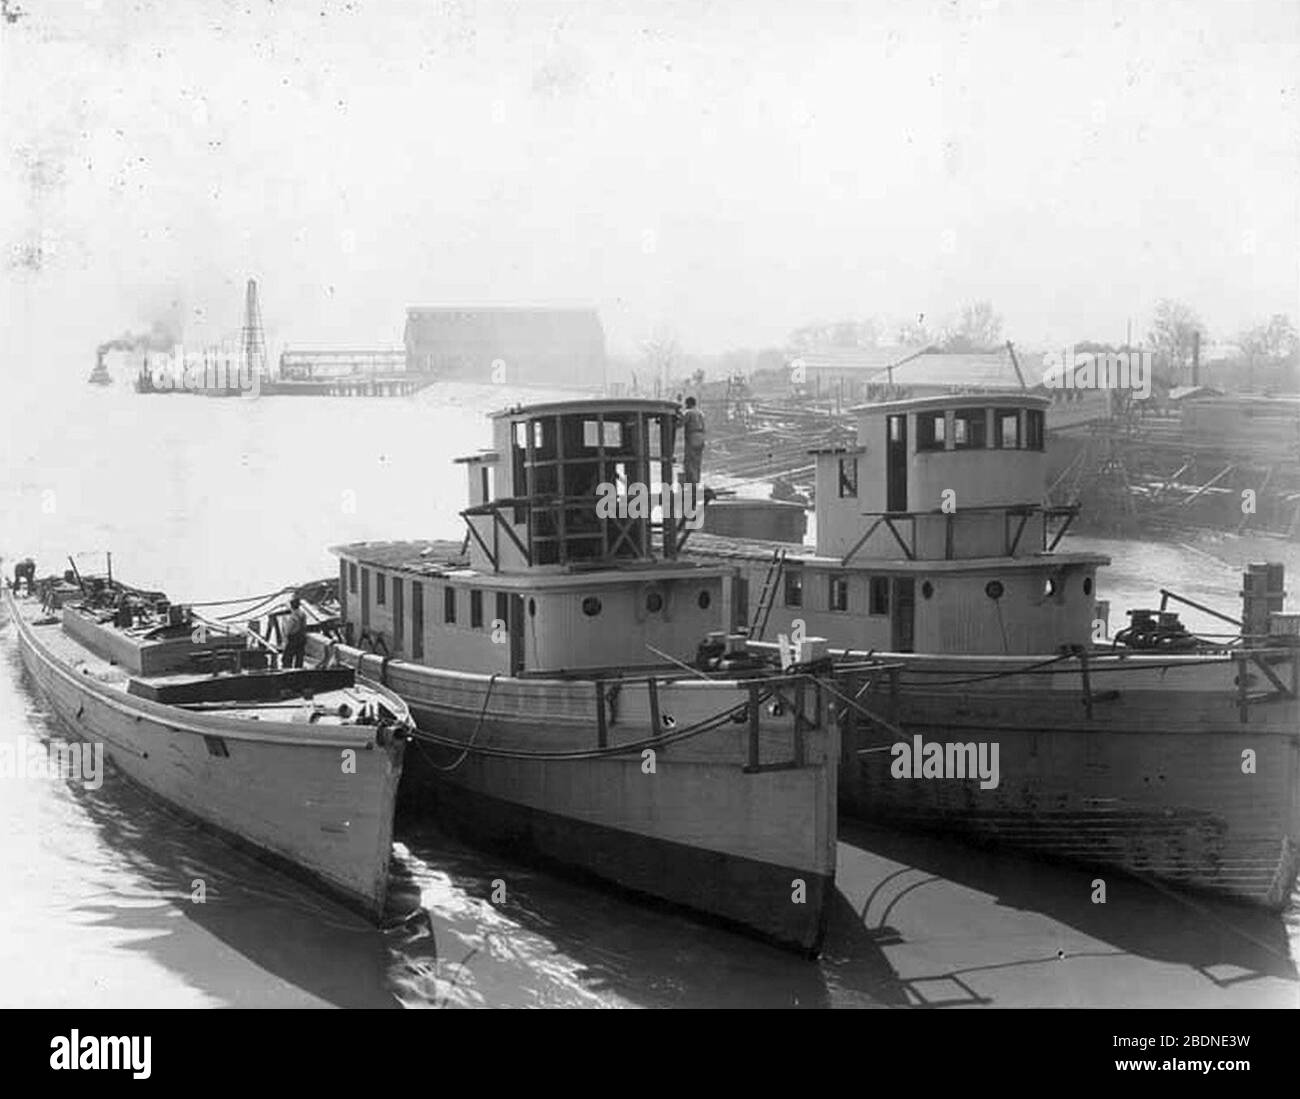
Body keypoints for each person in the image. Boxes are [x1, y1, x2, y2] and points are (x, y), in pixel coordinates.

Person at [680, 396, 706, 487]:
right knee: (697, 461)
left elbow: (680, 424)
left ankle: (691, 483)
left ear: (688, 404)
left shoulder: (688, 412)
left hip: (692, 436)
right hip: (701, 437)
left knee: (689, 461)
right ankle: (696, 482)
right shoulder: (700, 413)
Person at [282, 597, 308, 669]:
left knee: (287, 657)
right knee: (299, 656)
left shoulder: (294, 616)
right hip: (302, 637)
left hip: (294, 637)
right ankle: (298, 670)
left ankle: (287, 670)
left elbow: (289, 629)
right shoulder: (303, 614)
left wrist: (286, 635)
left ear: (292, 606)